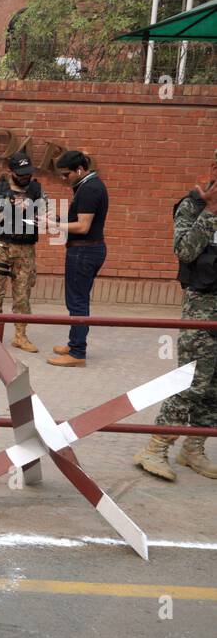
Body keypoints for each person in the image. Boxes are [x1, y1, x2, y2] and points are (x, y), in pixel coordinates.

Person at [134, 169, 217, 481]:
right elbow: (184, 250)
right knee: (194, 378)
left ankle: (194, 447)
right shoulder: (192, 205)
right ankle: (155, 447)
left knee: (215, 384)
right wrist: (210, 212)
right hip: (203, 305)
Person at [46, 150, 108, 366]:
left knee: (77, 302)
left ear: (79, 170)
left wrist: (54, 225)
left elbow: (83, 226)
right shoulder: (87, 185)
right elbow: (78, 218)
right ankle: (74, 344)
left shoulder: (90, 189)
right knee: (77, 300)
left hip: (84, 251)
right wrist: (54, 218)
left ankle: (77, 353)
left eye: (66, 175)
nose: (64, 179)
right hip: (87, 249)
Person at [0, 152, 46, 353]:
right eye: (21, 173)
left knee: (23, 294)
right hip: (1, 247)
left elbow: (47, 217)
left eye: (28, 173)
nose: (25, 177)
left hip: (25, 250)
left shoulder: (37, 190)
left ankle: (20, 336)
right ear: (11, 172)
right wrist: (7, 209)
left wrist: (35, 212)